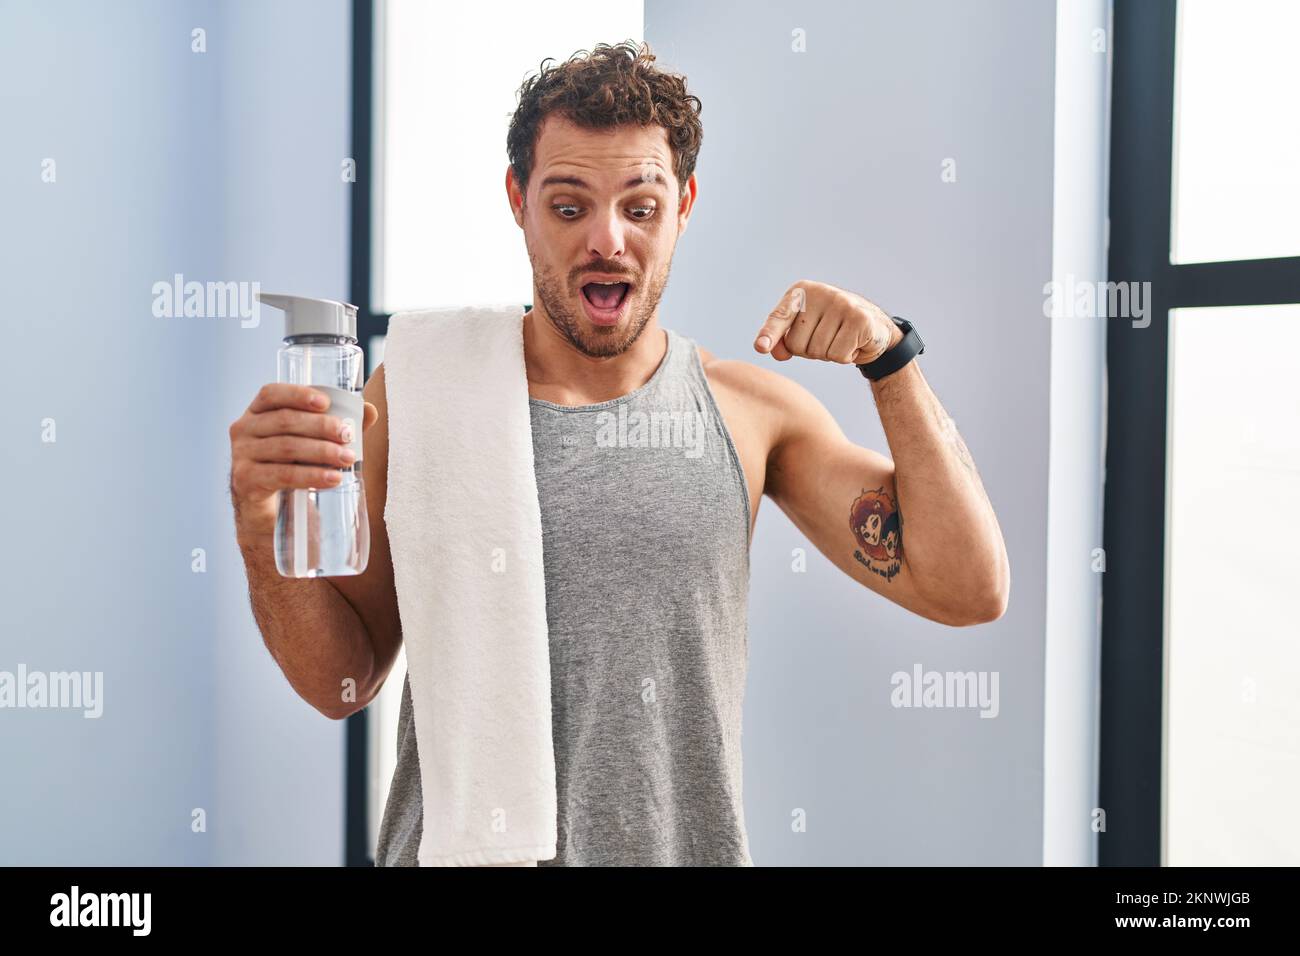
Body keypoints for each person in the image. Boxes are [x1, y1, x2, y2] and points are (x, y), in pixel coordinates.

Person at [228, 40, 1010, 867]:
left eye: (640, 207)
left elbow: (968, 587)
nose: (607, 240)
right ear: (518, 201)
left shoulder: (749, 415)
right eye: (569, 207)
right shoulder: (418, 392)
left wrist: (890, 360)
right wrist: (257, 530)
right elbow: (339, 684)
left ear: (685, 206)